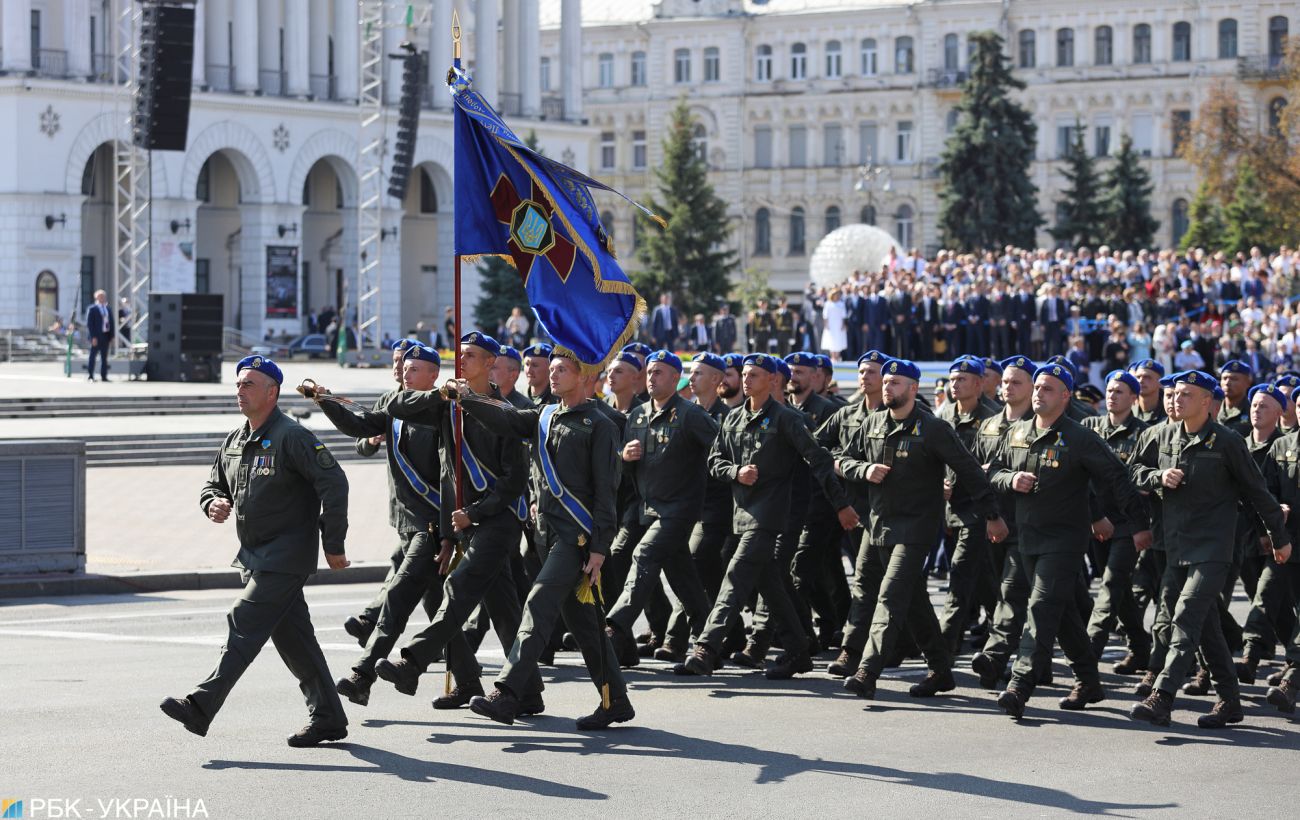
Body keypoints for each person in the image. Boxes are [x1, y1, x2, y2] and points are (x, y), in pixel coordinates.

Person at [160, 356, 351, 747]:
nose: (240, 391)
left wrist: (333, 544)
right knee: (296, 642)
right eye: (238, 384)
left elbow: (335, 483)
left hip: (285, 556)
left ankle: (201, 706)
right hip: (253, 556)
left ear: (272, 392)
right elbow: (213, 484)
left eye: (249, 384)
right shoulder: (235, 439)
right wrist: (212, 503)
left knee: (242, 621)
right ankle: (328, 718)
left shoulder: (292, 436)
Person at [441, 350, 632, 730]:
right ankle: (616, 702)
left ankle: (507, 692)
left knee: (538, 602)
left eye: (563, 370)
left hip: (577, 538)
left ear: (584, 376)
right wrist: (468, 398)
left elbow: (607, 491)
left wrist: (599, 547)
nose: (554, 375)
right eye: (553, 369)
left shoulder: (600, 424)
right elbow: (506, 419)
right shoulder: (544, 415)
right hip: (546, 534)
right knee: (585, 625)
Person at [371, 333, 538, 712]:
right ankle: (529, 692)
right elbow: (401, 410)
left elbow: (514, 480)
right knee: (505, 609)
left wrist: (474, 513)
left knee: (459, 589)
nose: (462, 360)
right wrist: (449, 532)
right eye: (460, 354)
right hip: (466, 522)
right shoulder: (450, 405)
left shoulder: (504, 410)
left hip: (499, 519)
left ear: (491, 363)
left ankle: (412, 662)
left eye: (471, 355)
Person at [678, 354, 858, 679]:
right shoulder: (733, 418)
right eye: (745, 375)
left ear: (773, 380)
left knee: (735, 577)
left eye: (755, 375)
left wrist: (841, 505)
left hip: (770, 516)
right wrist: (735, 472)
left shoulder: (786, 419)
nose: (746, 380)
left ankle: (706, 648)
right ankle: (798, 651)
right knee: (771, 583)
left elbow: (819, 460)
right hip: (741, 514)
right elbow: (714, 461)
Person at [838, 358, 1008, 700]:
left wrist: (992, 514)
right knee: (913, 599)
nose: (888, 388)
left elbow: (969, 470)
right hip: (878, 524)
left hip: (916, 528)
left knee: (890, 596)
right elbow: (841, 460)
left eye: (896, 383)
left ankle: (867, 670)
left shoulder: (933, 428)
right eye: (886, 382)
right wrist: (863, 470)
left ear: (914, 389)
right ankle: (941, 670)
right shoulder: (872, 422)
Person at [990, 363, 1152, 719]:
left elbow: (1117, 478)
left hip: (1064, 541)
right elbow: (993, 470)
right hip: (1027, 537)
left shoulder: (1080, 437)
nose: (1038, 394)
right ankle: (1089, 681)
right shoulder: (1017, 431)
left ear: (1065, 396)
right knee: (1062, 614)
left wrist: (1139, 525)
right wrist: (1010, 479)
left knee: (1040, 608)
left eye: (1047, 389)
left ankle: (1020, 685)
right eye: (1037, 387)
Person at [1130, 370, 1290, 728]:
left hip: (1215, 548)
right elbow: (1133, 471)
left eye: (1186, 394)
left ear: (1207, 402)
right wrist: (1157, 477)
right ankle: (1230, 701)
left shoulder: (1227, 441)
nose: (1177, 399)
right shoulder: (1161, 434)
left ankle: (1162, 696)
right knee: (1206, 627)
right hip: (1176, 545)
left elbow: (1257, 491)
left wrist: (1278, 538)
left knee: (1186, 615)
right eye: (1175, 393)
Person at [310, 343, 444, 707]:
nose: (403, 372)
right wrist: (326, 401)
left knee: (399, 597)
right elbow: (360, 427)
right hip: (406, 519)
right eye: (402, 366)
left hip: (434, 522)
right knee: (438, 603)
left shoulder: (441, 407)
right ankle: (479, 681)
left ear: (433, 375)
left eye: (413, 368)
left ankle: (363, 675)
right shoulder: (392, 402)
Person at [604, 351, 719, 665]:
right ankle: (709, 645)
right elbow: (624, 470)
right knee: (685, 581)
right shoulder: (638, 415)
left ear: (674, 378)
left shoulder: (690, 415)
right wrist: (624, 457)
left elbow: (720, 451)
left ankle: (615, 628)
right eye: (650, 372)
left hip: (680, 509)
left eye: (659, 373)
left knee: (643, 554)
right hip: (649, 509)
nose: (652, 378)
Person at [1083, 370, 1150, 673]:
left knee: (1111, 585)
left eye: (1120, 391)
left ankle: (1089, 651)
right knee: (1118, 589)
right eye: (1109, 390)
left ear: (1134, 398)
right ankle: (1140, 647)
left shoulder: (1145, 433)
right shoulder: (1089, 428)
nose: (1112, 396)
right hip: (1097, 520)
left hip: (1128, 523)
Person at [935, 357, 1001, 655]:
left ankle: (945, 646)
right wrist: (938, 481)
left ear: (978, 383)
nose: (955, 385)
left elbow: (1000, 461)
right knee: (983, 578)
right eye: (952, 379)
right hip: (950, 508)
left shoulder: (993, 417)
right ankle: (1005, 631)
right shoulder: (943, 414)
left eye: (962, 379)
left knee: (960, 574)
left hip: (980, 507)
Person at [85, 289, 114, 381]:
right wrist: (93, 337)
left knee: (104, 357)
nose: (102, 298)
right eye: (100, 296)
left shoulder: (108, 309)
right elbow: (90, 324)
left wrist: (111, 336)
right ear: (96, 298)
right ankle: (90, 375)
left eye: (103, 296)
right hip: (96, 336)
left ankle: (104, 376)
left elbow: (111, 322)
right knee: (93, 356)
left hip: (105, 336)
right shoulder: (92, 309)